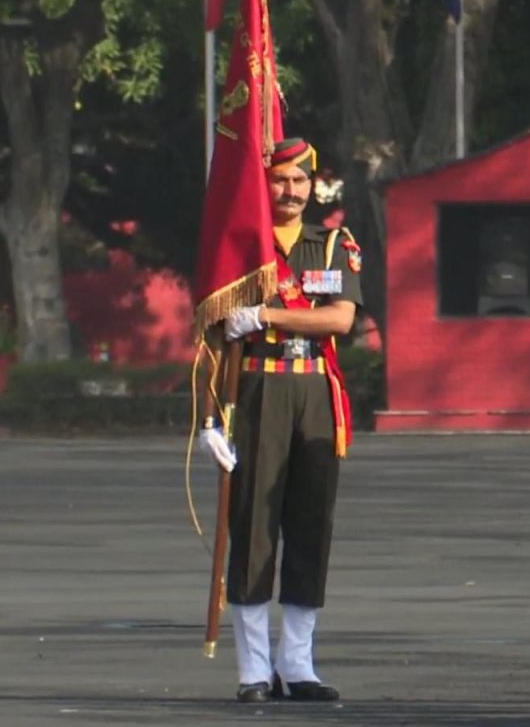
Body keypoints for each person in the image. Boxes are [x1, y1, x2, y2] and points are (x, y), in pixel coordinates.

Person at [198, 137, 362, 703]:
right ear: (262, 185)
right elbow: (212, 342)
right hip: (257, 391)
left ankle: (299, 666)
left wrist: (266, 313)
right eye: (279, 180)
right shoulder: (242, 249)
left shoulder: (334, 243)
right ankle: (253, 670)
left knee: (310, 524)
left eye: (299, 180)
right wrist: (209, 419)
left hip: (315, 391)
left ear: (313, 185)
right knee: (253, 530)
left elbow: (339, 320)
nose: (290, 191)